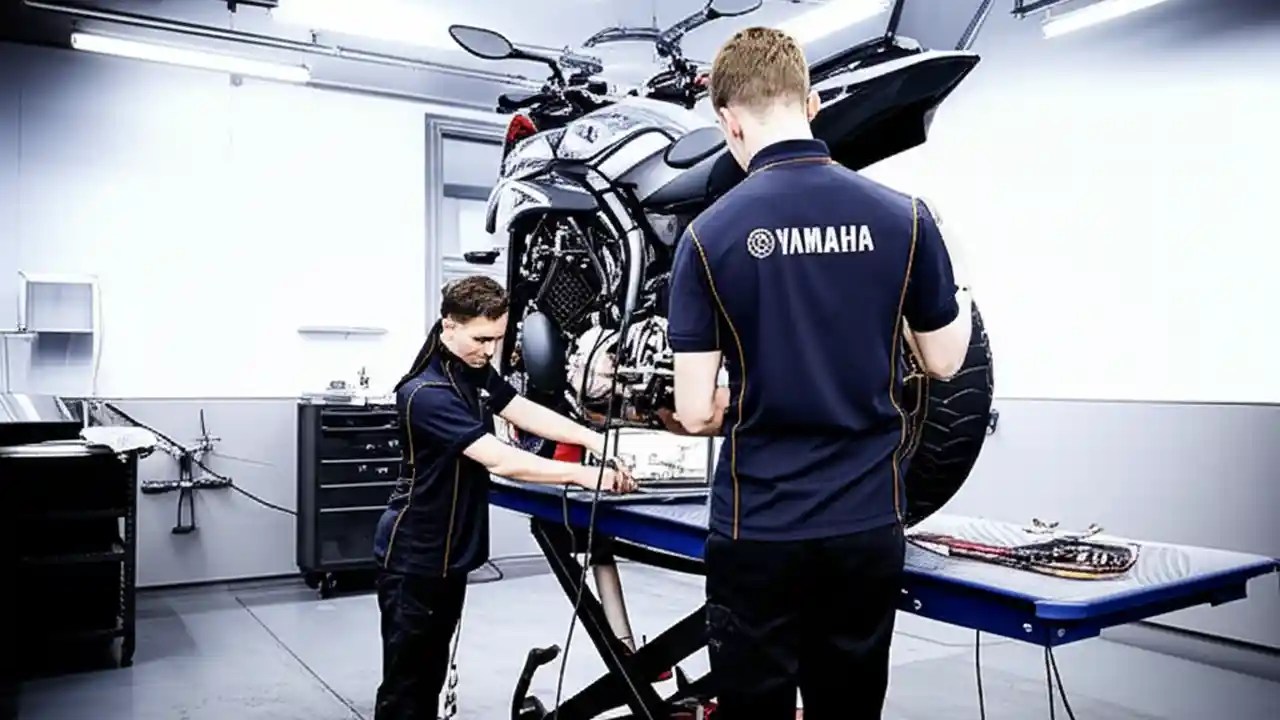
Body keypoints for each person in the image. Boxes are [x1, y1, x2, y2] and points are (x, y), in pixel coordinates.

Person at [658, 27, 973, 720]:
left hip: (759, 525)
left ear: (728, 121)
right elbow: (947, 361)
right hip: (865, 523)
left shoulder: (708, 236)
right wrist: (952, 287)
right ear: (813, 104)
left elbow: (695, 410)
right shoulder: (906, 219)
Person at [371, 275, 637, 719]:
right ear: (448, 325)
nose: (490, 350)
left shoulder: (471, 369)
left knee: (429, 676)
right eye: (481, 339)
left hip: (449, 555)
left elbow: (519, 408)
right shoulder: (425, 393)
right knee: (406, 687)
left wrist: (592, 438)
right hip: (415, 557)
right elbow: (500, 460)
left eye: (497, 338)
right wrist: (583, 475)